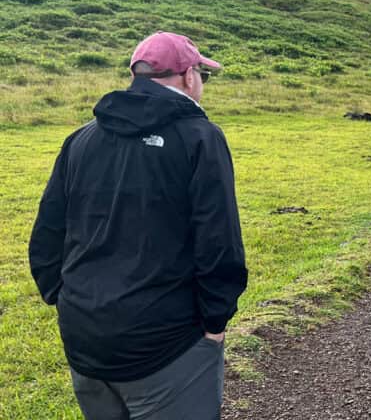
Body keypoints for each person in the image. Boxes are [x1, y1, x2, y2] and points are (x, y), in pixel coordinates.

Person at [29, 31, 247, 420]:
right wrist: (216, 323)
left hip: (85, 337)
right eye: (203, 75)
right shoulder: (200, 138)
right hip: (169, 344)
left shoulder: (80, 139)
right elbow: (219, 242)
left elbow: (47, 236)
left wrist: (62, 299)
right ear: (188, 76)